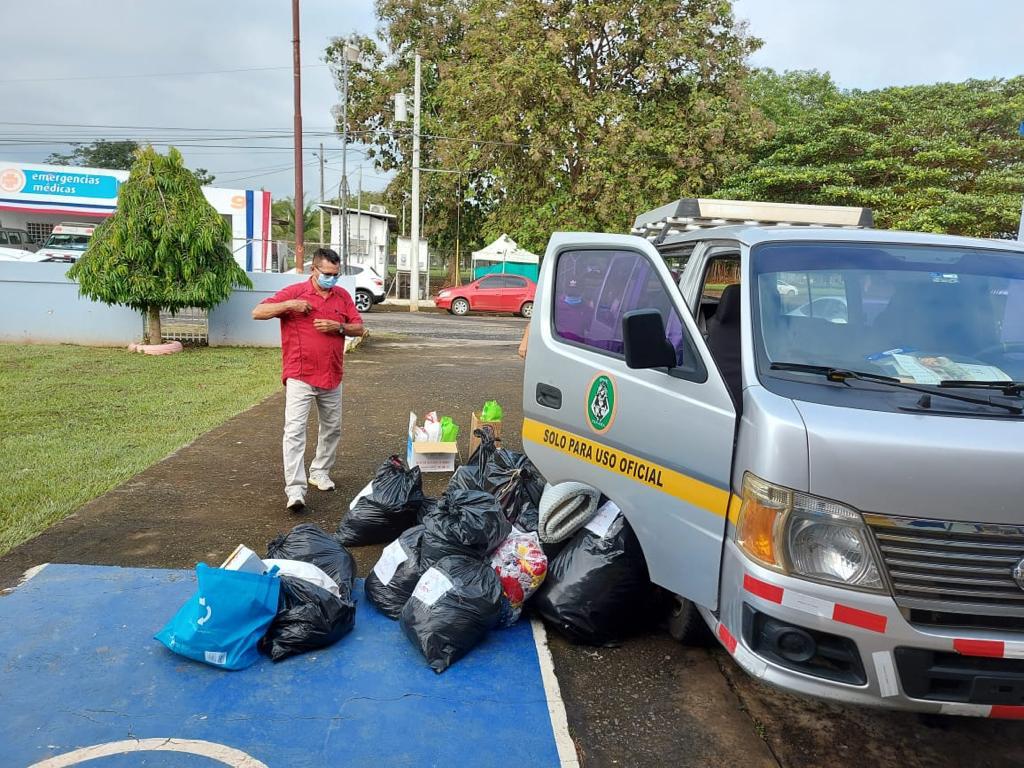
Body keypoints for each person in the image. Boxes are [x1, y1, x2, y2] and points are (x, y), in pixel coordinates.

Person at [252, 248, 364, 511]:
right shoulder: (295, 293)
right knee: (294, 431)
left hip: (332, 374)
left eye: (336, 275)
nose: (332, 279)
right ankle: (295, 489)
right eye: (327, 274)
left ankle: (320, 471)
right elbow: (257, 312)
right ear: (313, 270)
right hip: (300, 374)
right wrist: (290, 306)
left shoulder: (342, 296)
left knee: (332, 428)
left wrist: (337, 327)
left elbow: (359, 327)